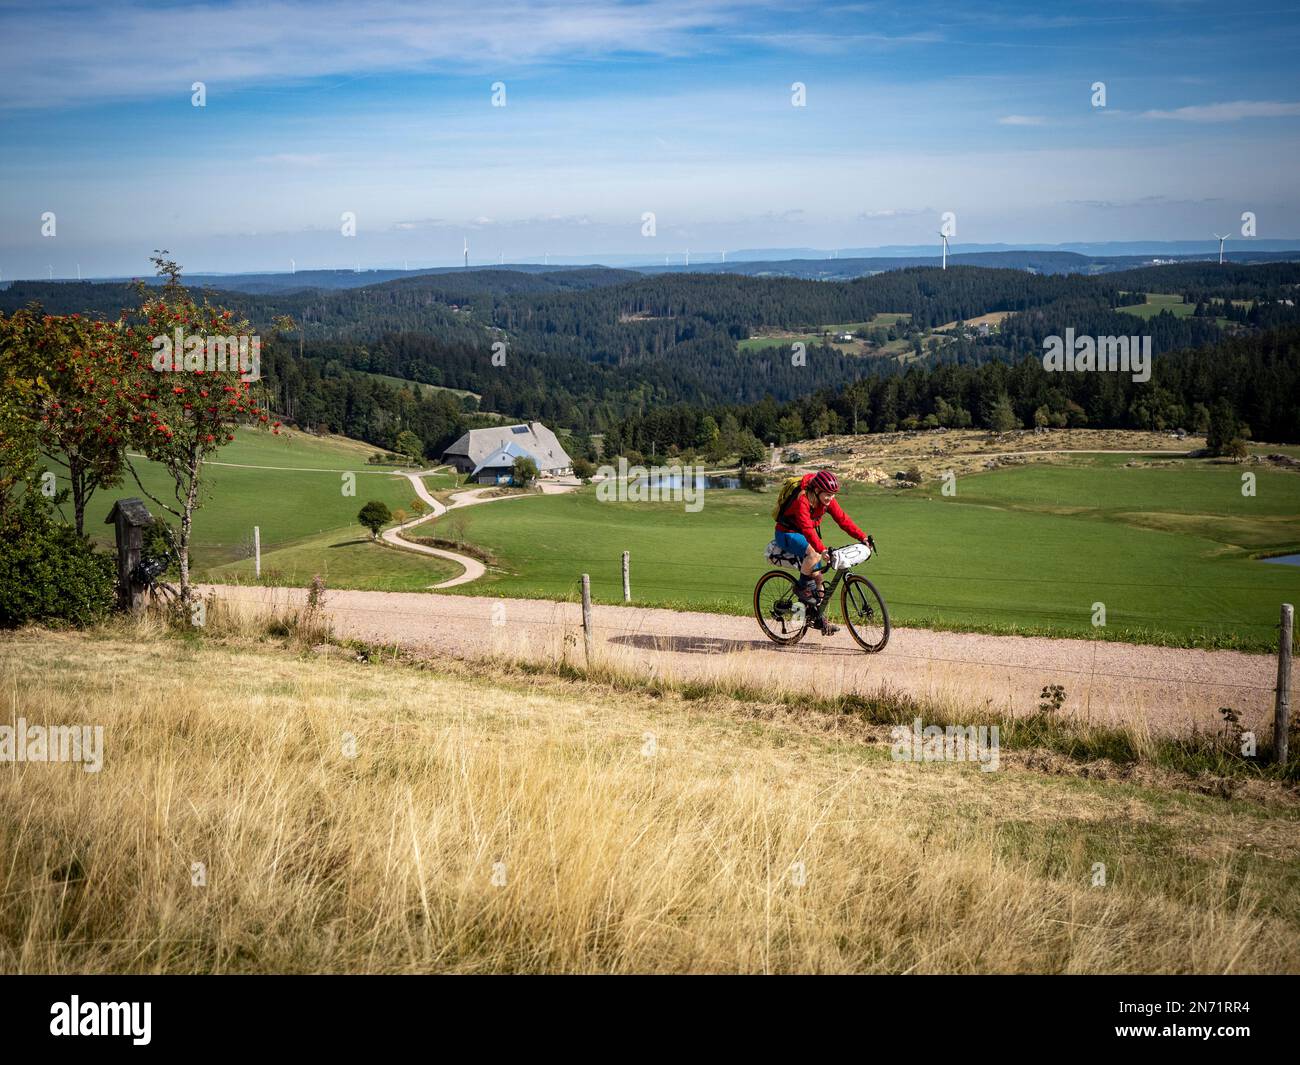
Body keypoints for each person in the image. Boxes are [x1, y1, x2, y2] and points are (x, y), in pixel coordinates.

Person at [772, 469, 870, 634]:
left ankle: (817, 617)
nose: (830, 498)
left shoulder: (827, 500)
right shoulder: (802, 499)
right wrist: (822, 550)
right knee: (814, 555)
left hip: (805, 535)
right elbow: (808, 529)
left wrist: (862, 537)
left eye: (833, 494)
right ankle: (800, 587)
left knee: (818, 579)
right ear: (816, 490)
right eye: (827, 494)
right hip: (786, 533)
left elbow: (843, 519)